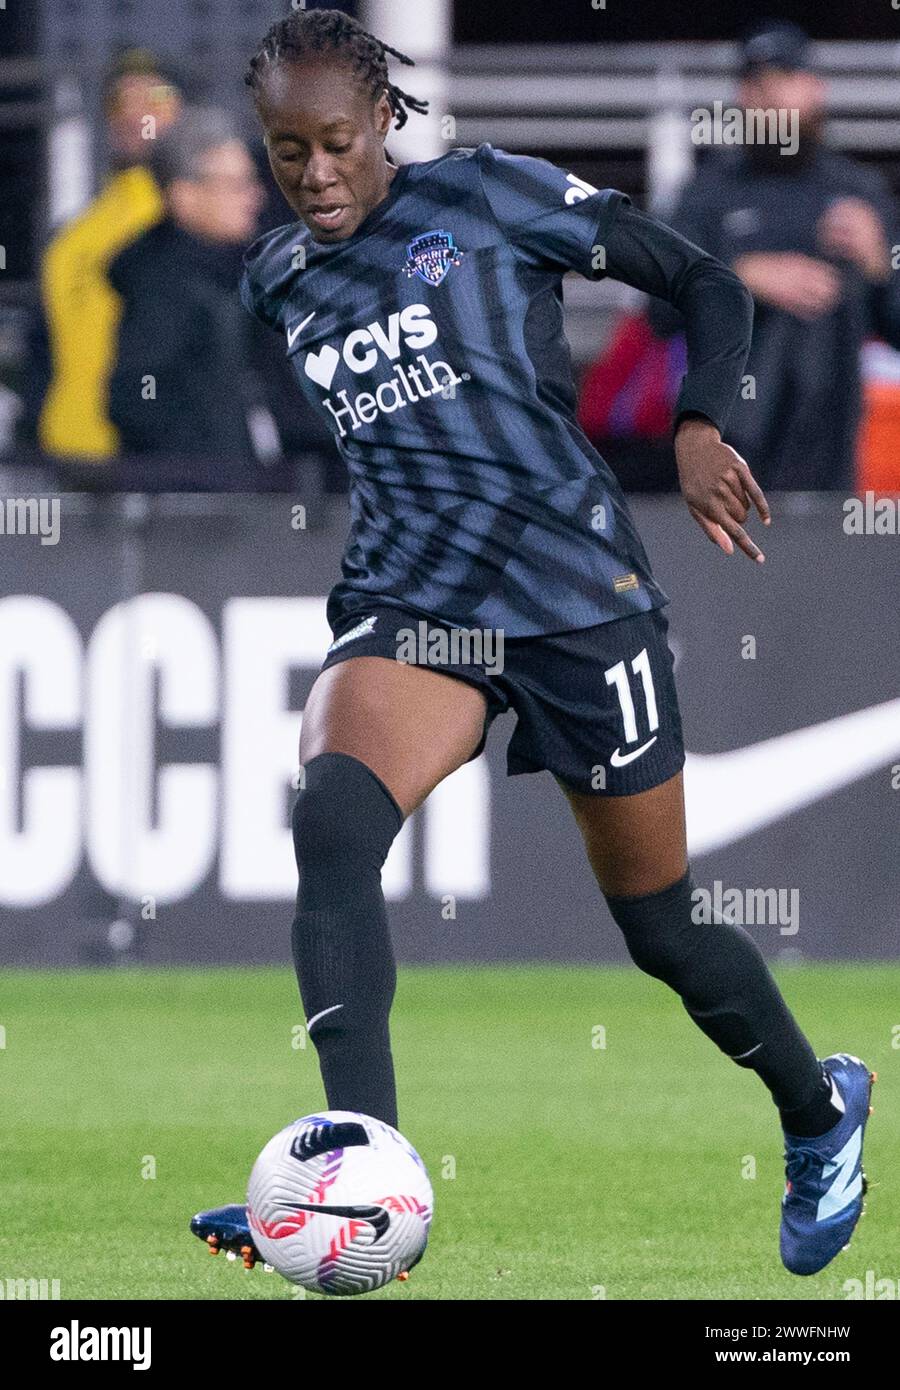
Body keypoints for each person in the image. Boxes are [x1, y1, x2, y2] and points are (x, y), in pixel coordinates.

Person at [190, 10, 874, 1280]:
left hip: (577, 599)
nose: (316, 175)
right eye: (288, 153)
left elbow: (703, 279)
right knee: (332, 826)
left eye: (336, 142)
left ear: (383, 120)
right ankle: (357, 1180)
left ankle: (819, 1111)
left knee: (661, 928)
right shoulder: (277, 280)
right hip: (414, 604)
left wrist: (698, 421)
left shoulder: (493, 196)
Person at [649, 20, 900, 490]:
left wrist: (879, 262)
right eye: (754, 83)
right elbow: (658, 311)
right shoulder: (707, 193)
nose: (769, 96)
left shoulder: (858, 191)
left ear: (815, 87)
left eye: (784, 79)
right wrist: (738, 277)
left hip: (829, 459)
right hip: (724, 452)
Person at [107, 106, 332, 489]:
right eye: (236, 184)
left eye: (253, 182)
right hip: (209, 522)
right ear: (183, 194)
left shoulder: (244, 277)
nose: (256, 197)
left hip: (261, 503)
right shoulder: (164, 285)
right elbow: (136, 403)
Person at [34, 48, 183, 462]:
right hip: (73, 454)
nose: (136, 115)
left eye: (153, 99)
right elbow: (43, 353)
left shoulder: (203, 221)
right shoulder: (70, 240)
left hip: (171, 461)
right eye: (120, 101)